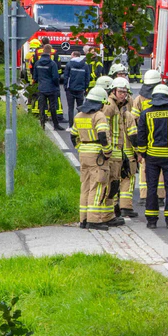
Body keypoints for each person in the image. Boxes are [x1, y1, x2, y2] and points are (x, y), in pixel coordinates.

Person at [70, 86, 122, 230]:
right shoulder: (99, 116)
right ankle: (94, 220)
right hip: (97, 157)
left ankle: (84, 219)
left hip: (84, 154)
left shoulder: (79, 115)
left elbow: (73, 136)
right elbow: (103, 136)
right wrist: (107, 152)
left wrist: (80, 148)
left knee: (85, 186)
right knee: (97, 187)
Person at [135, 84, 168, 229]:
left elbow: (141, 137)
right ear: (167, 98)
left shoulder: (145, 113)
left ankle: (151, 220)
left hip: (152, 156)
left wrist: (143, 153)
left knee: (152, 187)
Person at [131, 70, 166, 205]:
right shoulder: (166, 98)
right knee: (161, 168)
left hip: (145, 136)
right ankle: (160, 196)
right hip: (162, 136)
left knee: (145, 166)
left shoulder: (139, 99)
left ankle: (145, 196)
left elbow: (134, 118)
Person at [108, 77, 139, 218]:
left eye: (125, 92)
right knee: (120, 178)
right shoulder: (111, 107)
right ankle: (120, 208)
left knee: (117, 178)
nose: (123, 94)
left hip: (119, 149)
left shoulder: (122, 108)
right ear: (113, 90)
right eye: (120, 91)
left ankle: (116, 209)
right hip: (114, 150)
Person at [32, 44, 63, 130]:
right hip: (51, 88)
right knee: (53, 107)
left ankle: (42, 125)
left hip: (41, 88)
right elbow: (55, 77)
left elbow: (35, 77)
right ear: (50, 52)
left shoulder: (37, 63)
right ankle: (56, 125)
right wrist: (56, 85)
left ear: (43, 51)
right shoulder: (52, 64)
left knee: (42, 107)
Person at [62, 50, 91, 126]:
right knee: (80, 108)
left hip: (70, 89)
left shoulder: (69, 64)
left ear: (74, 55)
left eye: (71, 55)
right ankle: (79, 125)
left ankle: (70, 126)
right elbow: (87, 78)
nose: (71, 57)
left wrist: (65, 87)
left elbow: (66, 76)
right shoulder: (85, 65)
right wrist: (85, 88)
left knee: (70, 108)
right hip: (80, 90)